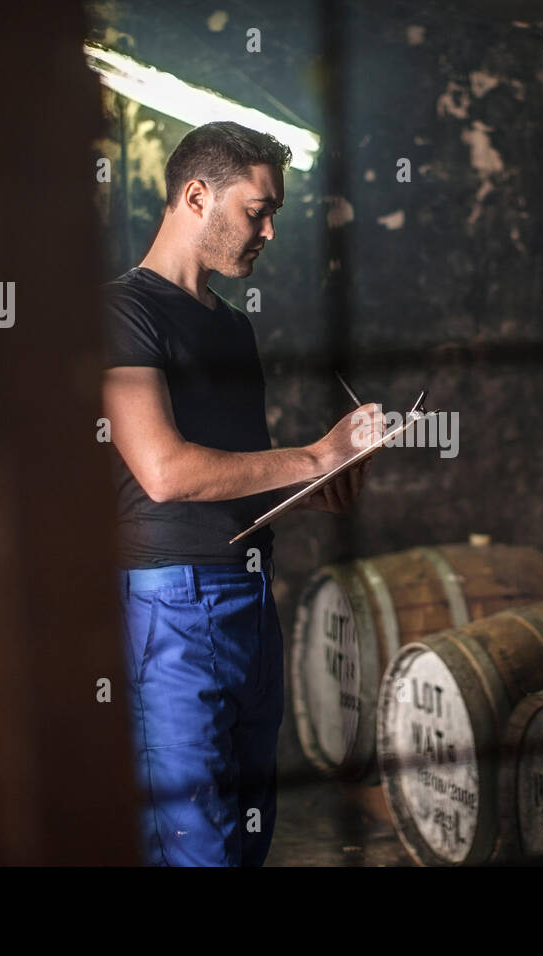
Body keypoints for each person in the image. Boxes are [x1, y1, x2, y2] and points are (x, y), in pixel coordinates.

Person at [100, 120, 382, 866]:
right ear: (196, 195)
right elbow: (166, 472)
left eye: (275, 214)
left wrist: (317, 485)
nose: (268, 230)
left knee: (249, 832)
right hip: (171, 604)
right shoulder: (122, 311)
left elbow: (237, 476)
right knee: (197, 846)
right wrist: (314, 451)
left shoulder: (232, 329)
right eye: (257, 210)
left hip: (250, 598)